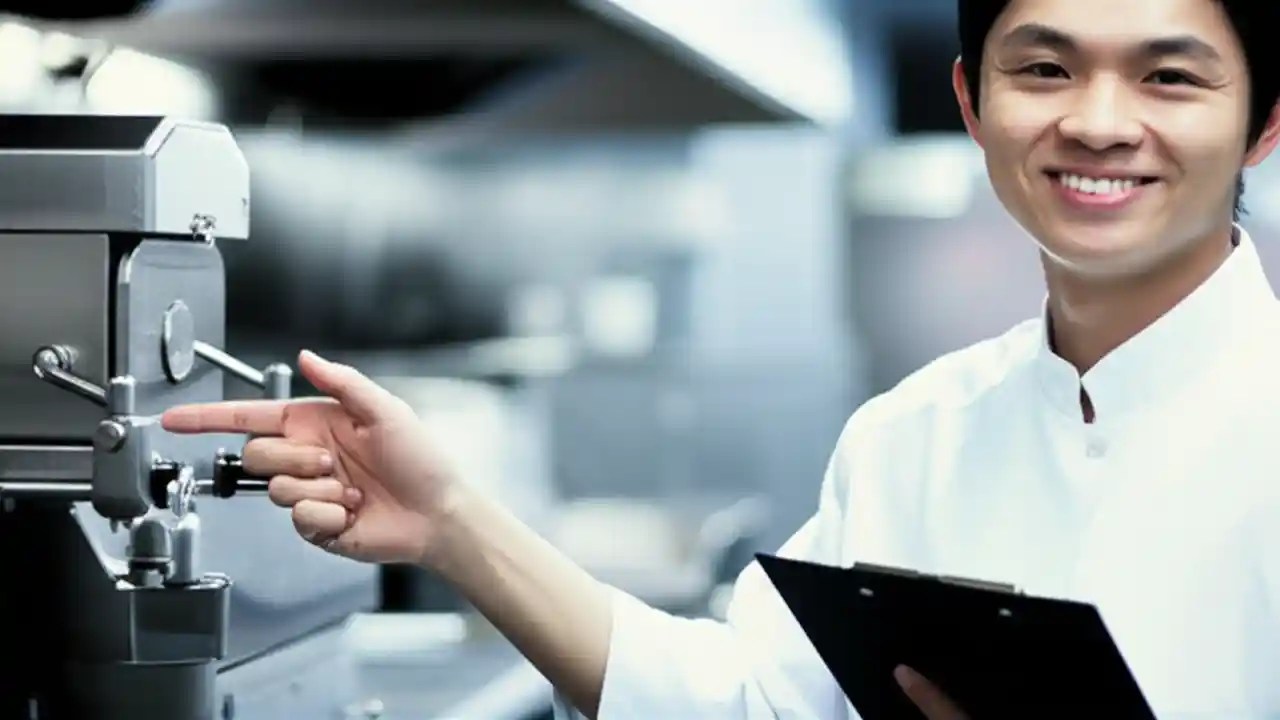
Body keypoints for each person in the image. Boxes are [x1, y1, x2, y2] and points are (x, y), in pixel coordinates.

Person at [161, 0, 1280, 717]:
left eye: (1167, 78)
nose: (1093, 121)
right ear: (969, 105)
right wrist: (452, 523)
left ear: (1263, 122)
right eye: (1041, 68)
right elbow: (752, 702)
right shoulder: (916, 432)